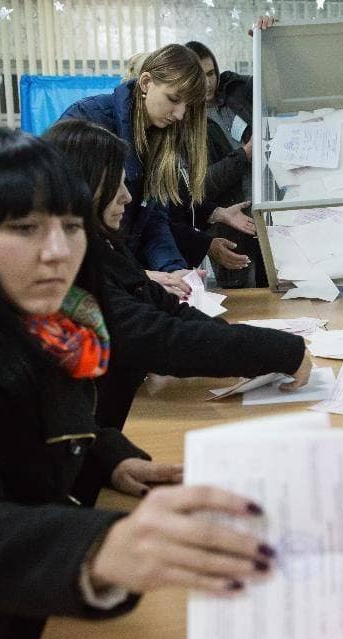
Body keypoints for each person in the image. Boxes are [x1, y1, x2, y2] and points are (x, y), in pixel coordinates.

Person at [0, 127, 274, 639]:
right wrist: (100, 546)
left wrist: (106, 456)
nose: (57, 251)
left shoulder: (53, 325)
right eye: (24, 228)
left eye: (71, 225)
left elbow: (30, 429)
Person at [44, 119, 312, 431]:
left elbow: (168, 310)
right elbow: (157, 337)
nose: (127, 197)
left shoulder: (103, 246)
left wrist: (248, 348)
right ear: (81, 189)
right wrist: (279, 351)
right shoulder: (70, 272)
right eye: (115, 186)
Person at [61, 44, 249, 297]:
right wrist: (139, 275)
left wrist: (174, 271)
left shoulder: (160, 137)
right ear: (146, 82)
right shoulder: (89, 120)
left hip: (123, 277)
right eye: (174, 99)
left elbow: (153, 221)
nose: (180, 115)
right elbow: (68, 226)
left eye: (187, 106)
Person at [184, 39, 266, 288]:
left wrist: (266, 39)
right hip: (229, 226)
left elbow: (274, 82)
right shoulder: (182, 122)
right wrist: (244, 155)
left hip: (266, 213)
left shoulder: (235, 91)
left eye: (211, 74)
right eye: (199, 76)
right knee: (240, 297)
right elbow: (198, 186)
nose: (207, 82)